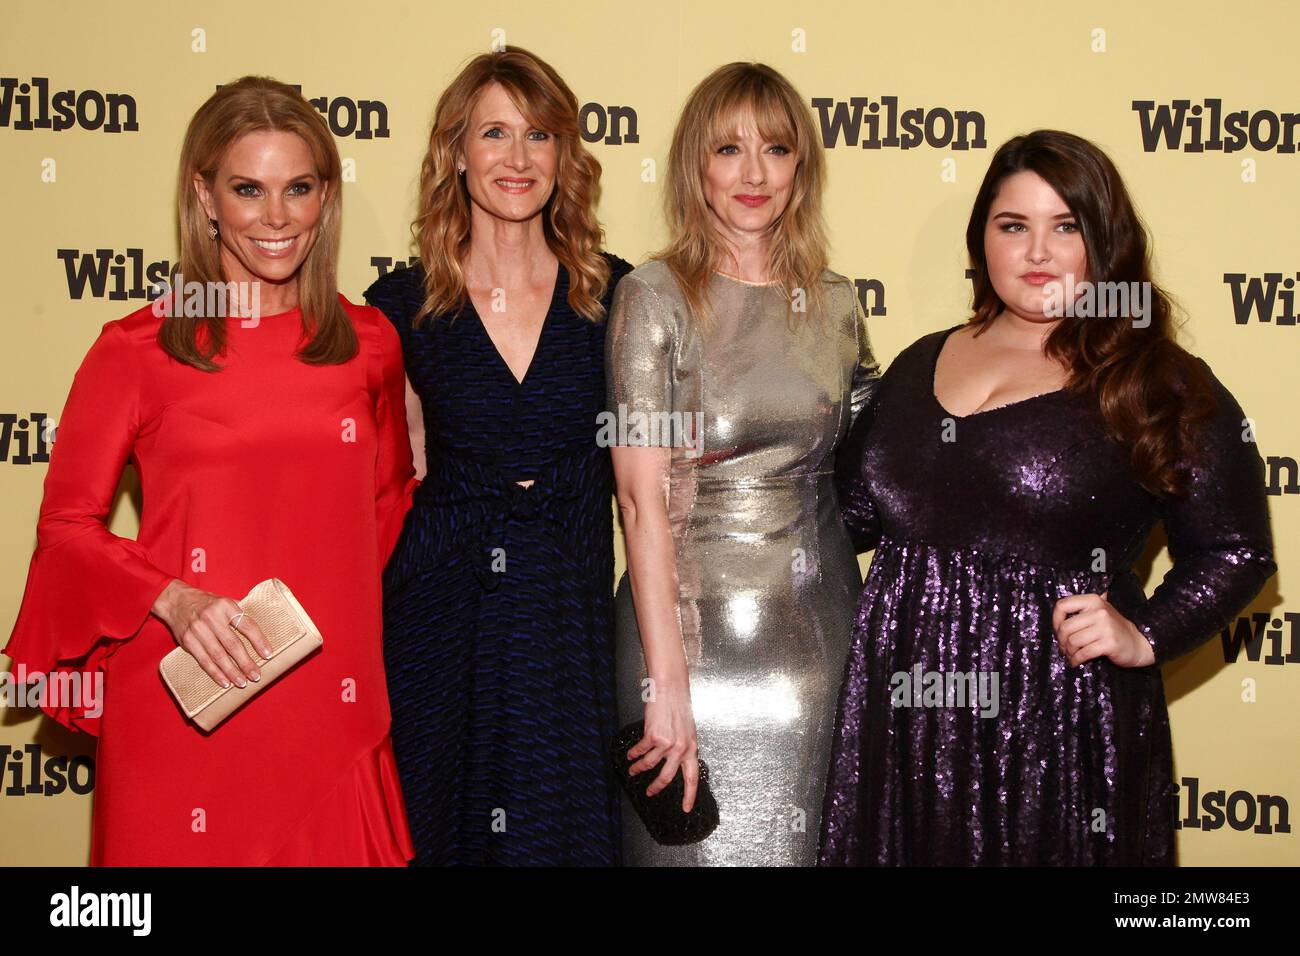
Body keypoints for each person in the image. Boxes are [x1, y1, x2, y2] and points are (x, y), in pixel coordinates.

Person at [818, 130, 1277, 866]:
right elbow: (846, 515)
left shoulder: (1153, 378)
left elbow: (1236, 549)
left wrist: (1147, 633)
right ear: (982, 241)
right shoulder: (917, 362)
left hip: (1053, 717)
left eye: (1066, 227)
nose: (1038, 253)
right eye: (1014, 226)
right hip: (905, 704)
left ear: (1105, 241)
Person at [2, 76, 417, 865]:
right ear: (204, 195)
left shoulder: (369, 344)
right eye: (247, 189)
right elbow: (65, 527)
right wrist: (175, 597)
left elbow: (386, 506)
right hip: (181, 692)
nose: (275, 217)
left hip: (327, 704)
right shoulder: (137, 347)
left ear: (325, 197)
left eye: (298, 188)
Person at [607, 62, 880, 866]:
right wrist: (668, 685)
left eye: (777, 149)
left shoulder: (835, 302)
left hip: (815, 642)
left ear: (804, 167)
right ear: (697, 165)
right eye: (729, 149)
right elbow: (637, 501)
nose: (754, 173)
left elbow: (882, 456)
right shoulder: (653, 297)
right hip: (680, 644)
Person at [364, 48, 632, 866]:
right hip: (438, 623)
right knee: (440, 829)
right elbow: (382, 479)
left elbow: (651, 489)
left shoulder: (617, 297)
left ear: (565, 157)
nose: (517, 158)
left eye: (540, 135)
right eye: (494, 133)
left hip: (565, 627)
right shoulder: (399, 308)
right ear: (456, 151)